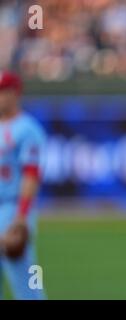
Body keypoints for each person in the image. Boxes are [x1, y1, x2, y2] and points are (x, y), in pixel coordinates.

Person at [0, 71, 46, 300]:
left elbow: (31, 174)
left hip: (11, 208)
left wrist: (21, 216)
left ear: (15, 93)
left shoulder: (26, 128)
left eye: (3, 90)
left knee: (26, 288)